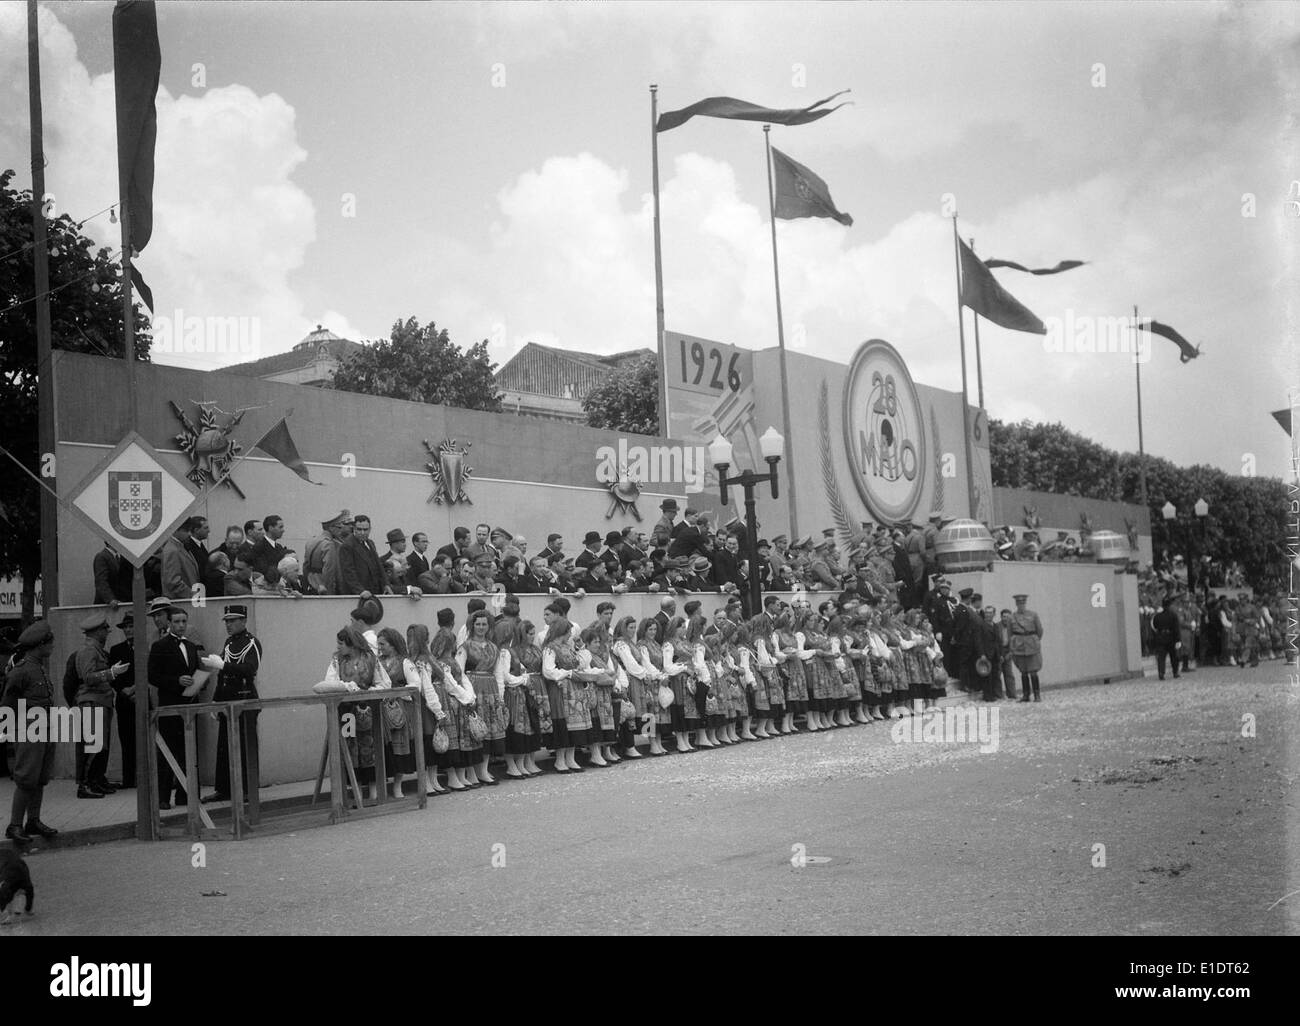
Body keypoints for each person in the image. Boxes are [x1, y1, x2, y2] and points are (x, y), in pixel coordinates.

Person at [2, 622, 60, 843]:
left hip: (44, 729)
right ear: (39, 645)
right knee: (26, 778)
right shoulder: (21, 671)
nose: (52, 646)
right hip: (28, 730)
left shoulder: (39, 668)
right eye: (50, 643)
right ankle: (14, 825)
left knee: (40, 778)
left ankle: (33, 821)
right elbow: (7, 705)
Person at [201, 605, 263, 804]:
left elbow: (249, 669)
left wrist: (223, 665)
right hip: (227, 700)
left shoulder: (252, 643)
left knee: (246, 746)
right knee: (224, 747)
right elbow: (223, 676)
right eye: (226, 621)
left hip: (244, 698)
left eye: (233, 620)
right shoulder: (229, 643)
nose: (228, 624)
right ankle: (224, 789)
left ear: (243, 621)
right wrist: (215, 700)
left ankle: (247, 789)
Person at [147, 605, 204, 809]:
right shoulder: (160, 646)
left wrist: (199, 681)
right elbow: (152, 675)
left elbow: (196, 669)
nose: (181, 625)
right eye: (177, 622)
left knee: (188, 751)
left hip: (189, 705)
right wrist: (176, 681)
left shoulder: (190, 646)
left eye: (184, 622)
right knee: (168, 752)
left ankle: (186, 795)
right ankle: (163, 798)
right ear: (169, 624)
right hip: (170, 705)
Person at [75, 611, 128, 799]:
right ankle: (85, 785)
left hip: (100, 701)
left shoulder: (96, 650)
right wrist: (111, 673)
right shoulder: (89, 650)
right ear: (97, 631)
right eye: (105, 629)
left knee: (100, 745)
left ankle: (96, 781)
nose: (107, 632)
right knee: (93, 745)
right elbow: (88, 677)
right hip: (92, 701)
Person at [459, 609, 506, 785]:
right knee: (473, 731)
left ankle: (484, 771)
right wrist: (467, 695)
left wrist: (500, 696)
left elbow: (499, 673)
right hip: (473, 691)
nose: (480, 627)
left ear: (489, 626)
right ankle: (472, 773)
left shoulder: (494, 648)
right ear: (472, 626)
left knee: (489, 733)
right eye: (477, 624)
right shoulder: (464, 647)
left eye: (484, 624)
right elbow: (460, 672)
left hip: (491, 692)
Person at [405, 623, 450, 795]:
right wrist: (438, 711)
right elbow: (426, 688)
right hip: (427, 705)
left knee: (433, 742)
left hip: (432, 702)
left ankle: (433, 780)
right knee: (427, 741)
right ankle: (426, 782)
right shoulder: (421, 661)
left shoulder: (426, 657)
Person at [108, 613, 139, 788]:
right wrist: (124, 690)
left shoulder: (145, 647)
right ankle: (129, 779)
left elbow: (148, 670)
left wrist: (135, 689)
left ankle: (144, 778)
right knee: (126, 740)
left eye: (131, 626)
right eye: (125, 627)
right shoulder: (116, 650)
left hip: (141, 697)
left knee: (143, 740)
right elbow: (113, 676)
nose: (128, 630)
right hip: (124, 700)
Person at [339, 514, 390, 595]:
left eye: (365, 530)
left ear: (370, 529)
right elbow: (348, 572)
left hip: (374, 591)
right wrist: (360, 591)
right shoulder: (347, 546)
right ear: (354, 529)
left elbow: (378, 566)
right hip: (358, 594)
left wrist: (386, 584)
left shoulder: (370, 543)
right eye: (359, 529)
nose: (362, 533)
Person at [1010, 593, 1045, 702]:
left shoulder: (1033, 615)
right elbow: (1010, 633)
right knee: (1023, 671)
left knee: (1033, 671)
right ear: (1016, 604)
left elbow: (1039, 631)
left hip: (1031, 646)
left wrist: (1034, 640)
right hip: (1019, 646)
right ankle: (1026, 695)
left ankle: (1037, 694)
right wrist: (1014, 645)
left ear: (1025, 603)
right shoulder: (1012, 617)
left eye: (1022, 603)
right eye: (1019, 603)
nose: (1021, 605)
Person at [161, 520, 200, 600]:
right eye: (186, 531)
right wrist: (192, 595)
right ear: (176, 530)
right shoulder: (172, 550)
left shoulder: (180, 547)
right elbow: (172, 582)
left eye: (190, 530)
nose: (189, 534)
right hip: (180, 601)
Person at [1151, 596, 1181, 681]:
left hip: (1161, 637)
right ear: (1169, 605)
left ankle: (1161, 673)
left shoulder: (1157, 616)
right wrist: (1178, 639)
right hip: (1171, 637)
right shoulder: (1173, 615)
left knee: (1161, 657)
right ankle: (1175, 672)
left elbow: (1154, 627)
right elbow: (1176, 628)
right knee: (1174, 656)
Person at [996, 609, 1018, 700]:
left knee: (1009, 674)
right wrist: (999, 655)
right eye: (1004, 616)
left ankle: (1012, 695)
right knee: (998, 673)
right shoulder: (996, 627)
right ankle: (999, 695)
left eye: (1008, 617)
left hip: (1008, 651)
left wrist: (1011, 653)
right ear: (1001, 617)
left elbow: (1015, 641)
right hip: (998, 652)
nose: (1006, 619)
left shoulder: (1013, 627)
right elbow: (995, 642)